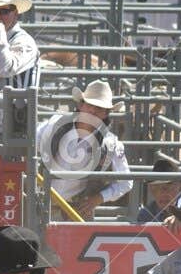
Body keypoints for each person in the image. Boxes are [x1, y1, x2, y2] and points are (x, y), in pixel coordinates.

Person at [35, 79, 130, 220]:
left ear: (105, 113)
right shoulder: (55, 124)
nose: (93, 111)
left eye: (99, 108)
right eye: (90, 105)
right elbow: (29, 145)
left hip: (75, 211)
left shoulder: (111, 144)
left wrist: (97, 199)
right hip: (39, 202)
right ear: (81, 105)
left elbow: (126, 182)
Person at [137, 153, 181, 224]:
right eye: (156, 187)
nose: (162, 193)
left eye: (168, 186)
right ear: (151, 189)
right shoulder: (145, 215)